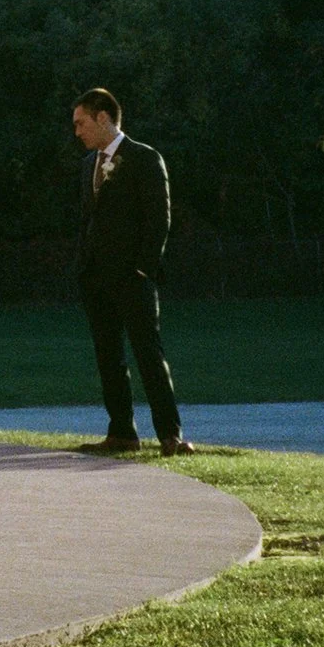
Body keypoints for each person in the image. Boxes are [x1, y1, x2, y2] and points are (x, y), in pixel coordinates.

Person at [71, 88, 192, 456]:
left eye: (81, 123)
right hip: (96, 279)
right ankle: (122, 432)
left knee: (148, 356)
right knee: (108, 356)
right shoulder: (87, 166)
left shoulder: (144, 159)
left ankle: (170, 435)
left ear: (103, 117)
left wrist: (143, 270)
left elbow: (160, 219)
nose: (77, 131)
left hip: (133, 278)